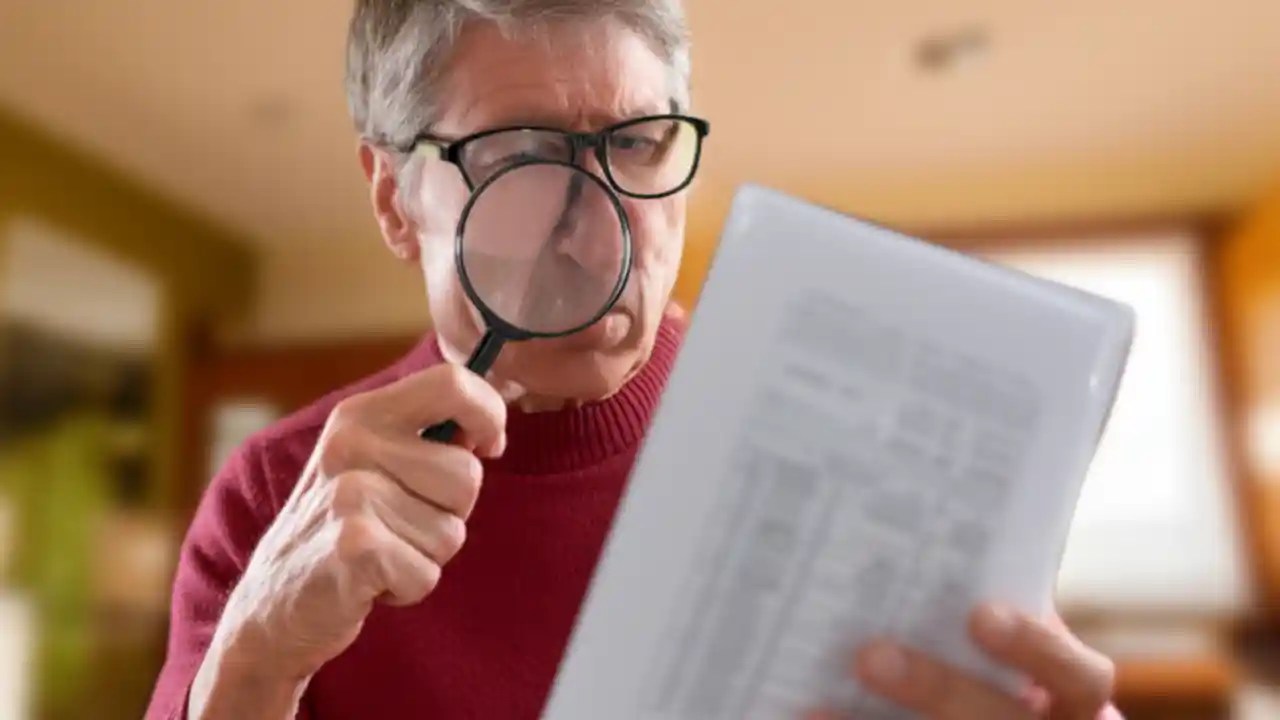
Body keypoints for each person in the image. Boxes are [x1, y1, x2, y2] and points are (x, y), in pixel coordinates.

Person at [145, 1, 1123, 718]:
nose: (595, 237)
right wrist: (253, 664)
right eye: (519, 157)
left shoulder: (870, 435)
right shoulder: (273, 497)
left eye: (642, 143)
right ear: (393, 198)